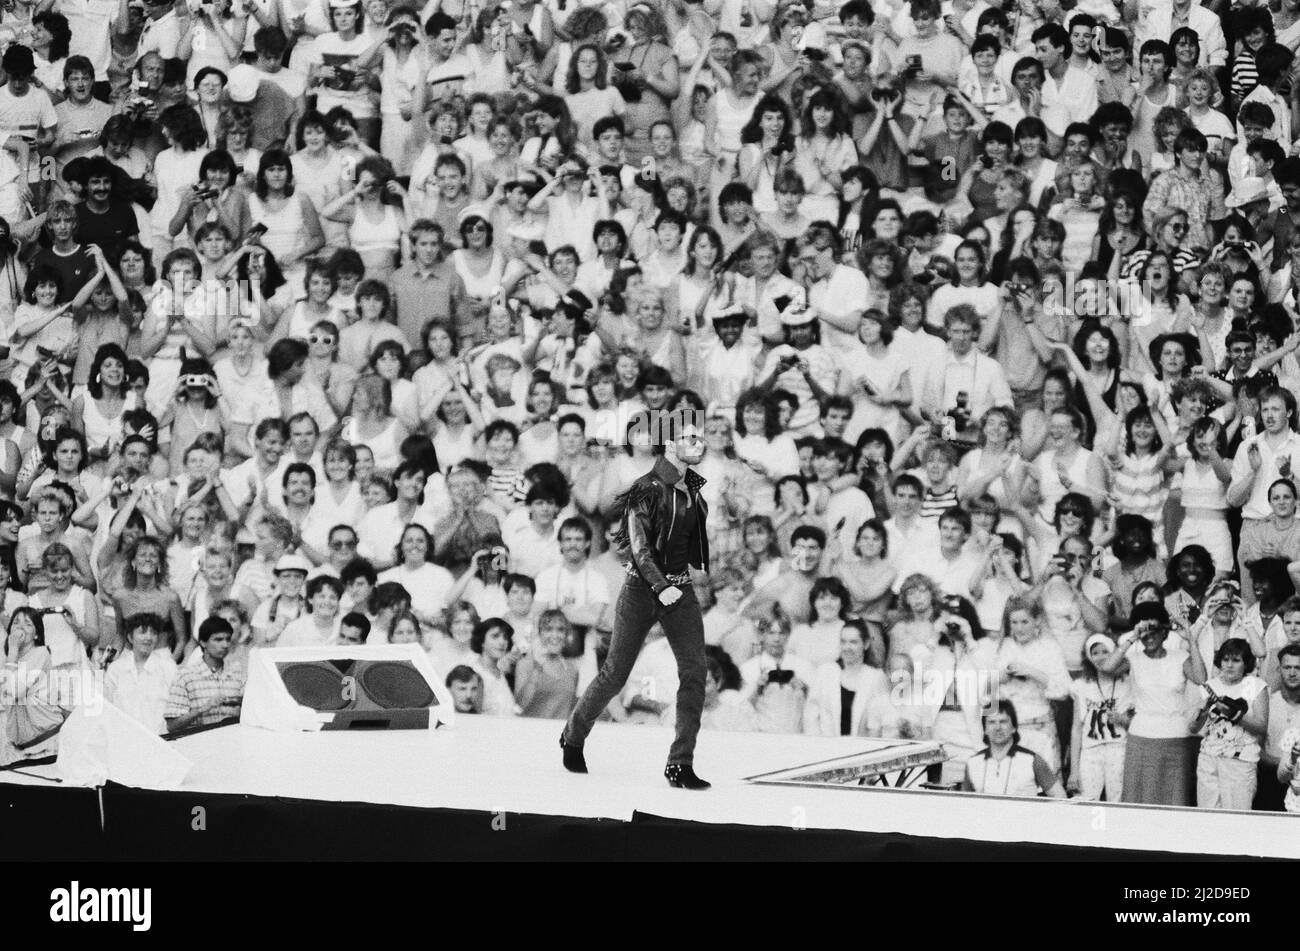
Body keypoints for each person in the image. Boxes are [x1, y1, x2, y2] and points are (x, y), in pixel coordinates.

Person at [561, 409, 712, 789]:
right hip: (644, 588)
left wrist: (693, 572)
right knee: (615, 673)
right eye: (690, 438)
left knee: (694, 672)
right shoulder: (646, 487)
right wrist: (663, 587)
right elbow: (640, 550)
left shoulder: (692, 486)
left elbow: (689, 536)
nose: (699, 444)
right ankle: (574, 734)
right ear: (671, 444)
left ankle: (680, 762)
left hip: (679, 588)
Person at [961, 699, 1067, 798]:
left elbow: (1060, 797)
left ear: (1013, 727)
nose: (998, 727)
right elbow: (964, 804)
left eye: (1003, 722)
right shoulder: (973, 763)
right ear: (985, 729)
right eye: (992, 722)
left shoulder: (1033, 760)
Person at [163, 614, 245, 732]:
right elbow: (172, 725)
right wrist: (203, 709)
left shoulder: (238, 672)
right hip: (199, 743)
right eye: (218, 639)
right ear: (203, 642)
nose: (225, 644)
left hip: (232, 740)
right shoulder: (186, 676)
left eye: (228, 639)